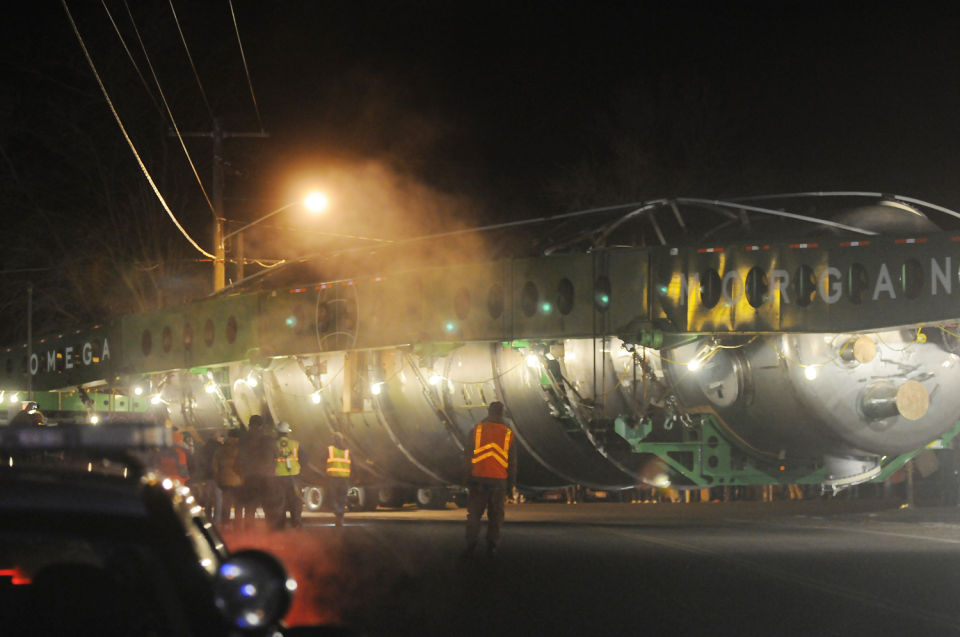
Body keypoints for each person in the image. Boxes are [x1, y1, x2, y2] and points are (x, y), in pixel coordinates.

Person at [463, 401, 517, 558]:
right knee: (496, 516)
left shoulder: (477, 430)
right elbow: (512, 463)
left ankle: (471, 544)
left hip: (478, 480)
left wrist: (466, 478)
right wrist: (510, 486)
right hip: (499, 482)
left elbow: (467, 456)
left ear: (488, 411)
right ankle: (492, 546)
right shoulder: (508, 434)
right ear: (502, 413)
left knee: (474, 515)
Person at [235, 415, 276, 528]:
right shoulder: (269, 440)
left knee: (250, 506)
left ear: (249, 425)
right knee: (268, 506)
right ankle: (271, 529)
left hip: (250, 477)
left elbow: (238, 458)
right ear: (261, 426)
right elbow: (276, 455)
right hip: (267, 477)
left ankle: (249, 529)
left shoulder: (242, 440)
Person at [270, 421, 304, 529]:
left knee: (280, 501)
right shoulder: (295, 444)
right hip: (294, 476)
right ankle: (296, 522)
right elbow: (304, 459)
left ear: (277, 432)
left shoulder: (273, 445)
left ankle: (280, 525)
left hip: (278, 476)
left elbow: (269, 460)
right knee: (296, 500)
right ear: (287, 432)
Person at [213, 429, 242, 525]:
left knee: (226, 504)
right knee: (238, 504)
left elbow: (215, 467)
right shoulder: (240, 449)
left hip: (224, 481)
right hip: (238, 481)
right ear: (237, 438)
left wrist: (218, 478)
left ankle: (226, 524)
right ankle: (238, 525)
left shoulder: (220, 450)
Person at [325, 432, 351, 527]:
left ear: (334, 439)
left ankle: (337, 510)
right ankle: (340, 518)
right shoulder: (347, 451)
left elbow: (321, 460)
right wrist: (355, 477)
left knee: (332, 497)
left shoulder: (330, 449)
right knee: (342, 499)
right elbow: (353, 464)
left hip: (333, 478)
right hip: (345, 478)